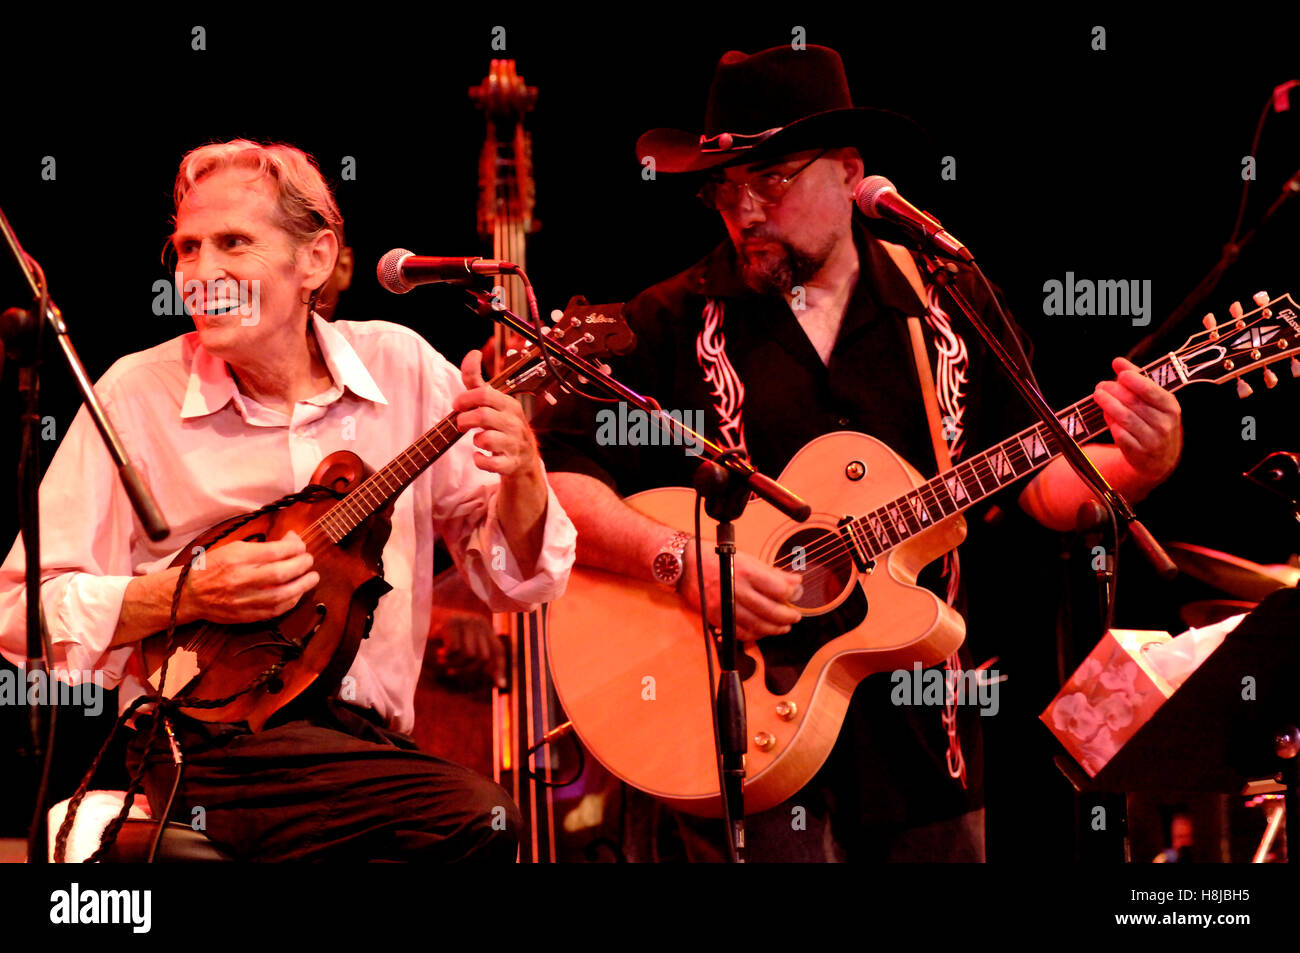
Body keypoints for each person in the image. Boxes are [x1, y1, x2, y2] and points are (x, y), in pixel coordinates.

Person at [536, 45, 1182, 861]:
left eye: (771, 179)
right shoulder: (667, 320)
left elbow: (1041, 484)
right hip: (732, 743)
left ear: (850, 174)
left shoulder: (946, 301)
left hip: (928, 750)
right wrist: (681, 561)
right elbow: (558, 487)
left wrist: (1144, 462)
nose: (745, 210)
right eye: (724, 189)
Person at [0, 139, 576, 861]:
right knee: (473, 815)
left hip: (364, 754)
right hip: (208, 745)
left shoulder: (402, 368)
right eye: (187, 248)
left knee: (472, 820)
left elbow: (519, 579)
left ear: (315, 259)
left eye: (233, 242)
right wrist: (185, 594)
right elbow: (23, 613)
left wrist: (522, 475)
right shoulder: (134, 395)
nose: (201, 273)